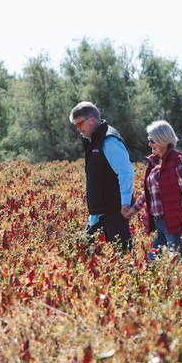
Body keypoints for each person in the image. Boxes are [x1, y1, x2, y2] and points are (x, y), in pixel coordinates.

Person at [123, 121, 182, 262]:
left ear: (161, 139)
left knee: (178, 265)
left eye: (151, 140)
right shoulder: (156, 163)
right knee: (152, 260)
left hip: (175, 224)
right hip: (160, 224)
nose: (149, 144)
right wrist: (134, 209)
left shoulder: (177, 159)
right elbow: (148, 193)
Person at [70, 101, 135, 251]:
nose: (79, 130)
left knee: (123, 255)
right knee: (84, 252)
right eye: (76, 126)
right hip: (99, 212)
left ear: (92, 120)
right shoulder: (93, 141)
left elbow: (126, 172)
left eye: (80, 125)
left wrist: (125, 202)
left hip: (115, 211)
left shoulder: (109, 139)